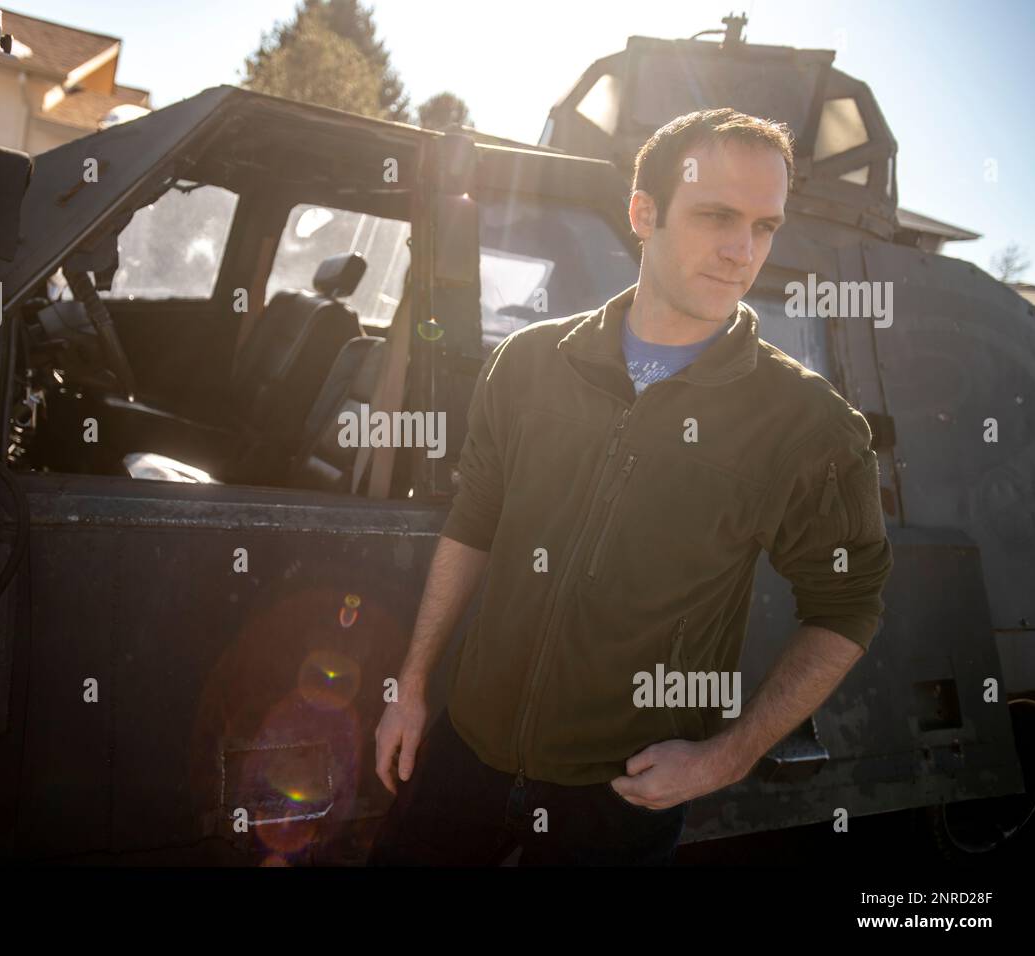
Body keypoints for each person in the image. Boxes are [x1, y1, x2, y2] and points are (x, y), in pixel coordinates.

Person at [366, 107, 894, 866]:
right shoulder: (528, 363)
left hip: (618, 801)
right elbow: (474, 520)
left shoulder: (810, 426)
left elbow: (848, 606)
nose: (743, 251)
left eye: (765, 226)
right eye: (716, 216)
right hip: (462, 756)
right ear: (644, 213)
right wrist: (412, 687)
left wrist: (727, 757)